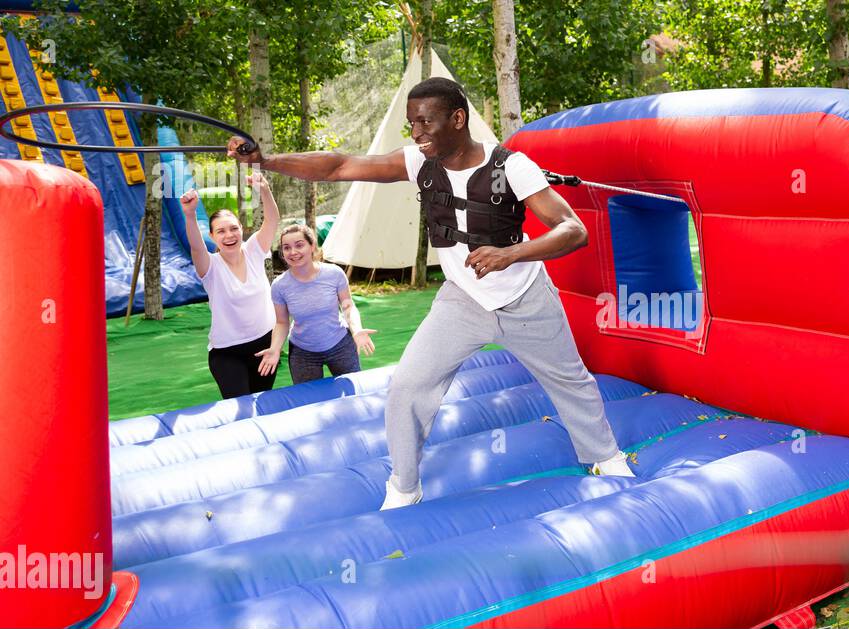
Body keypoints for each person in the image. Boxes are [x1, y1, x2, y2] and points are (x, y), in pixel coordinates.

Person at [226, 76, 634, 511]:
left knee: (570, 380)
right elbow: (338, 166)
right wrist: (266, 160)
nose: (416, 133)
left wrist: (511, 253)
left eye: (425, 123)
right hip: (461, 300)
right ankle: (404, 486)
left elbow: (573, 230)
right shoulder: (418, 161)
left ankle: (605, 458)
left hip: (524, 295)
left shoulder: (512, 166)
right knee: (407, 386)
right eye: (411, 124)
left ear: (458, 119)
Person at [180, 172, 280, 398]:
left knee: (262, 404)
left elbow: (272, 221)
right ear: (213, 237)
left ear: (241, 229)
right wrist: (189, 214)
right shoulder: (210, 267)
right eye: (221, 231)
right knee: (242, 408)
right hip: (227, 353)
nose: (229, 235)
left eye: (234, 228)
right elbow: (196, 248)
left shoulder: (254, 250)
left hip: (265, 346)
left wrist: (263, 189)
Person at [262, 224, 376, 384]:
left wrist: (356, 330)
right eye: (286, 248)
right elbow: (282, 322)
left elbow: (348, 306)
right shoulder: (280, 285)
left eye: (299, 245)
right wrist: (275, 349)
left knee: (353, 390)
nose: (293, 252)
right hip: (303, 352)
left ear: (312, 246)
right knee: (309, 401)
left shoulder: (334, 273)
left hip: (340, 344)